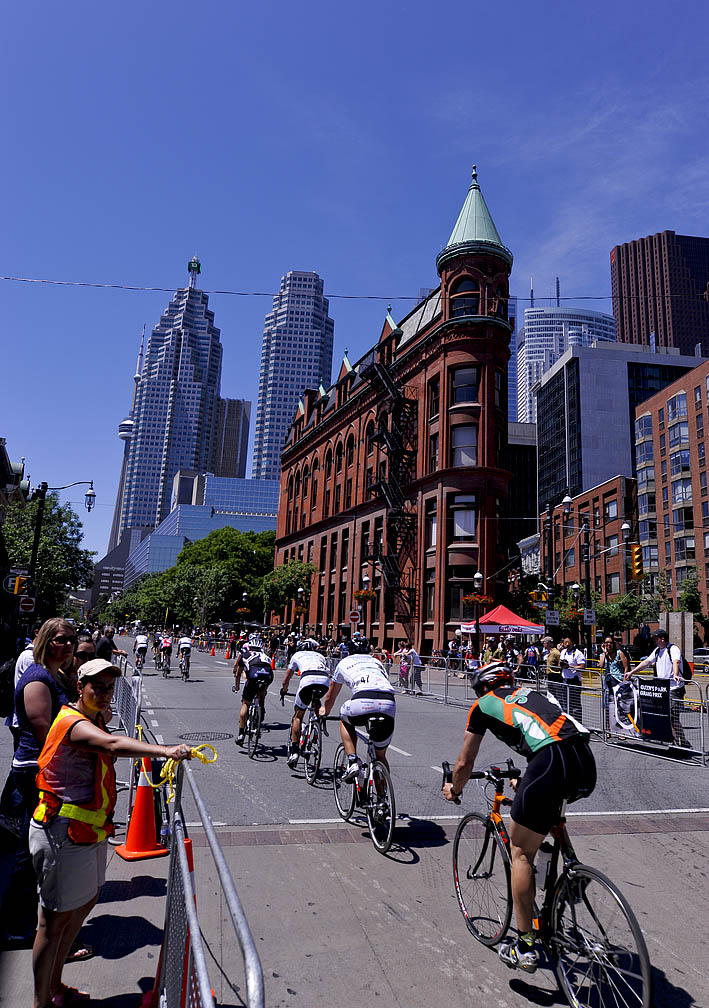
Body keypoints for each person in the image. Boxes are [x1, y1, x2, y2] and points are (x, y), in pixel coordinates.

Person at [28, 658, 191, 1008]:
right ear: (79, 688)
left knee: (83, 904)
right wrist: (165, 751)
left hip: (86, 832)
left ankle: (55, 986)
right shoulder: (72, 722)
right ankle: (42, 1001)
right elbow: (112, 746)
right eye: (96, 688)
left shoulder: (93, 718)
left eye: (109, 688)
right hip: (60, 832)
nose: (104, 694)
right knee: (52, 922)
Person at [443, 660, 596, 973]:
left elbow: (464, 762)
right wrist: (528, 780)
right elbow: (549, 737)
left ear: (482, 687)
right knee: (544, 814)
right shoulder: (531, 694)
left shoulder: (483, 705)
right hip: (583, 758)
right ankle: (570, 874)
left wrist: (454, 788)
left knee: (520, 853)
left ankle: (525, 944)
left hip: (550, 761)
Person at [319, 637, 396, 780]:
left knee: (345, 718)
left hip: (362, 701)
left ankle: (353, 760)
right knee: (380, 756)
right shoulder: (377, 662)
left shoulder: (344, 662)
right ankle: (382, 797)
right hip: (388, 702)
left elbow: (331, 694)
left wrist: (325, 710)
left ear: (349, 651)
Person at [632, 629, 689, 746]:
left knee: (673, 717)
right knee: (667, 717)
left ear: (662, 639)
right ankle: (675, 742)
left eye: (655, 638)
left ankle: (683, 742)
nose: (654, 641)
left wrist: (676, 674)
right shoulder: (658, 651)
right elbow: (646, 662)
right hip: (662, 689)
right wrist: (632, 672)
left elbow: (676, 662)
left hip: (674, 689)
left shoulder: (673, 649)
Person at [280, 639, 330, 768]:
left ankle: (295, 752)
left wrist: (284, 691)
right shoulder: (320, 655)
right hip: (324, 681)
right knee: (316, 699)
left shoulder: (297, 655)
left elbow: (286, 679)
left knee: (298, 716)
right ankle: (316, 724)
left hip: (308, 679)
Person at [233, 635, 274, 746]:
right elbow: (269, 670)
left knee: (245, 703)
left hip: (253, 677)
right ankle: (261, 707)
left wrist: (237, 687)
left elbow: (238, 674)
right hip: (268, 677)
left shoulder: (245, 655)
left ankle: (241, 734)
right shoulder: (266, 656)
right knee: (262, 691)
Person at [598, 636, 630, 707]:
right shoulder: (602, 655)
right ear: (603, 644)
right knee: (610, 702)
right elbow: (601, 666)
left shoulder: (619, 653)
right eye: (606, 642)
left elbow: (626, 667)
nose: (609, 644)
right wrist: (604, 653)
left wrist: (624, 681)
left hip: (619, 680)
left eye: (610, 642)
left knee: (620, 702)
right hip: (608, 681)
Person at [558, 636, 585, 719]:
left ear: (572, 644)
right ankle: (568, 722)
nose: (567, 645)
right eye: (565, 643)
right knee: (565, 704)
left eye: (568, 643)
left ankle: (578, 723)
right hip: (565, 680)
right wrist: (562, 665)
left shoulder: (578, 653)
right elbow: (560, 663)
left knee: (575, 705)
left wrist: (570, 667)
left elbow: (582, 666)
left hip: (574, 681)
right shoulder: (563, 652)